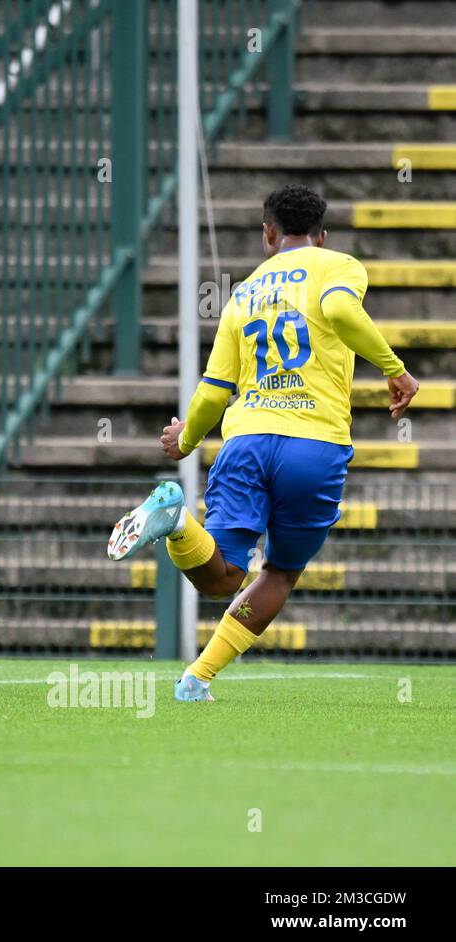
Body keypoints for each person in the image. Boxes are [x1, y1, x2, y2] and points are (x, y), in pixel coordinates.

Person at [107, 184, 419, 701]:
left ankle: (179, 531)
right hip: (313, 445)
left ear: (268, 235)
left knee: (222, 577)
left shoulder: (243, 292)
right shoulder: (338, 265)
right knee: (280, 572)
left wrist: (187, 439)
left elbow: (213, 390)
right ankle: (197, 677)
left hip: (245, 439)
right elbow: (340, 313)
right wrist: (395, 369)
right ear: (322, 236)